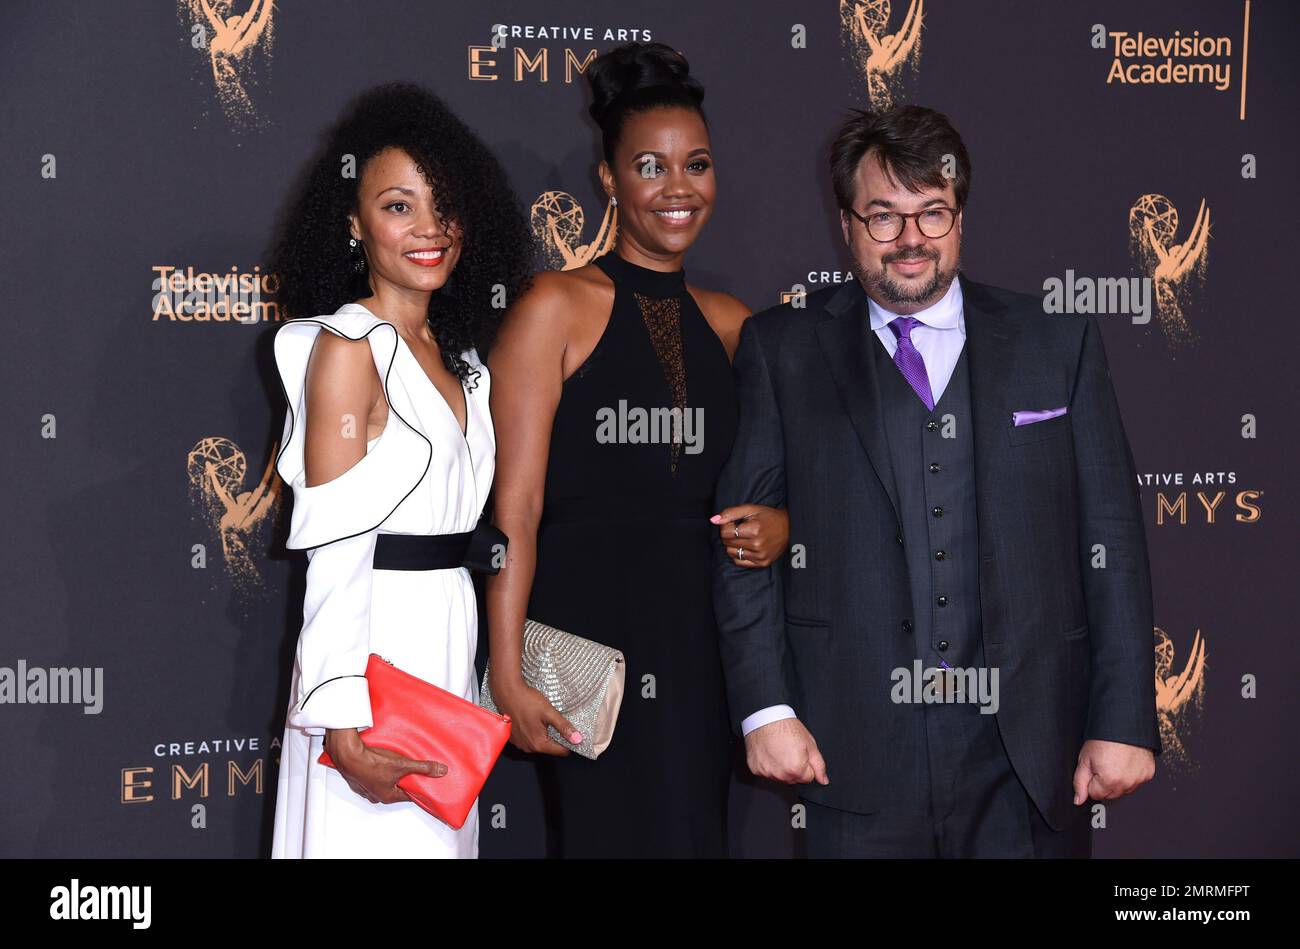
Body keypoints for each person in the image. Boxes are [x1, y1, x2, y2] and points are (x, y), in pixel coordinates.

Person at [713, 105, 1161, 858]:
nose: (912, 238)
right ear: (847, 224)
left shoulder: (1057, 340)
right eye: (884, 216)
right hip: (849, 743)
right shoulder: (780, 347)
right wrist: (766, 709)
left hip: (1025, 753)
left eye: (932, 213)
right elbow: (740, 540)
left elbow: (1110, 539)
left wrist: (1122, 718)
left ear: (961, 219)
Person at [484, 42, 789, 858]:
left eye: (697, 164)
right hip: (592, 652)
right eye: (650, 165)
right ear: (611, 179)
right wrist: (506, 668)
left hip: (705, 647)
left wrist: (783, 526)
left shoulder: (735, 324)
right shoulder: (555, 305)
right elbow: (515, 504)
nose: (678, 187)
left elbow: (786, 482)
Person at [268, 82, 532, 858]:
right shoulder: (348, 352)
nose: (429, 230)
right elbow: (336, 551)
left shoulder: (465, 362)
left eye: (442, 205)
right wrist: (342, 727)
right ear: (353, 223)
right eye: (397, 206)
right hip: (372, 656)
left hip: (447, 644)